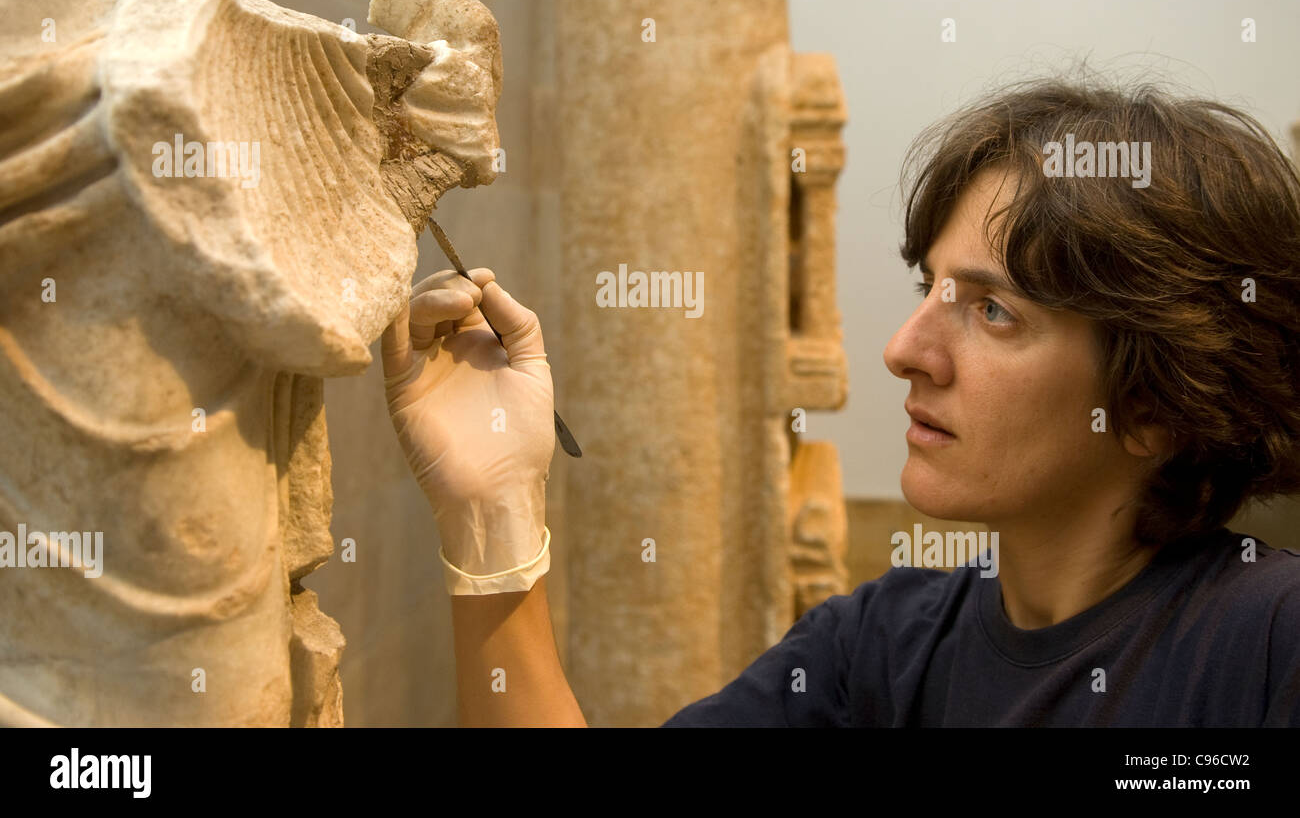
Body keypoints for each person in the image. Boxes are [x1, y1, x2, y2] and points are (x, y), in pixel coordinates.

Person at [380, 77, 1300, 726]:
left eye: (992, 310)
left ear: (1155, 401)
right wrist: (493, 516)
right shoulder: (876, 649)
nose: (906, 353)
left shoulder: (1267, 644)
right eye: (928, 289)